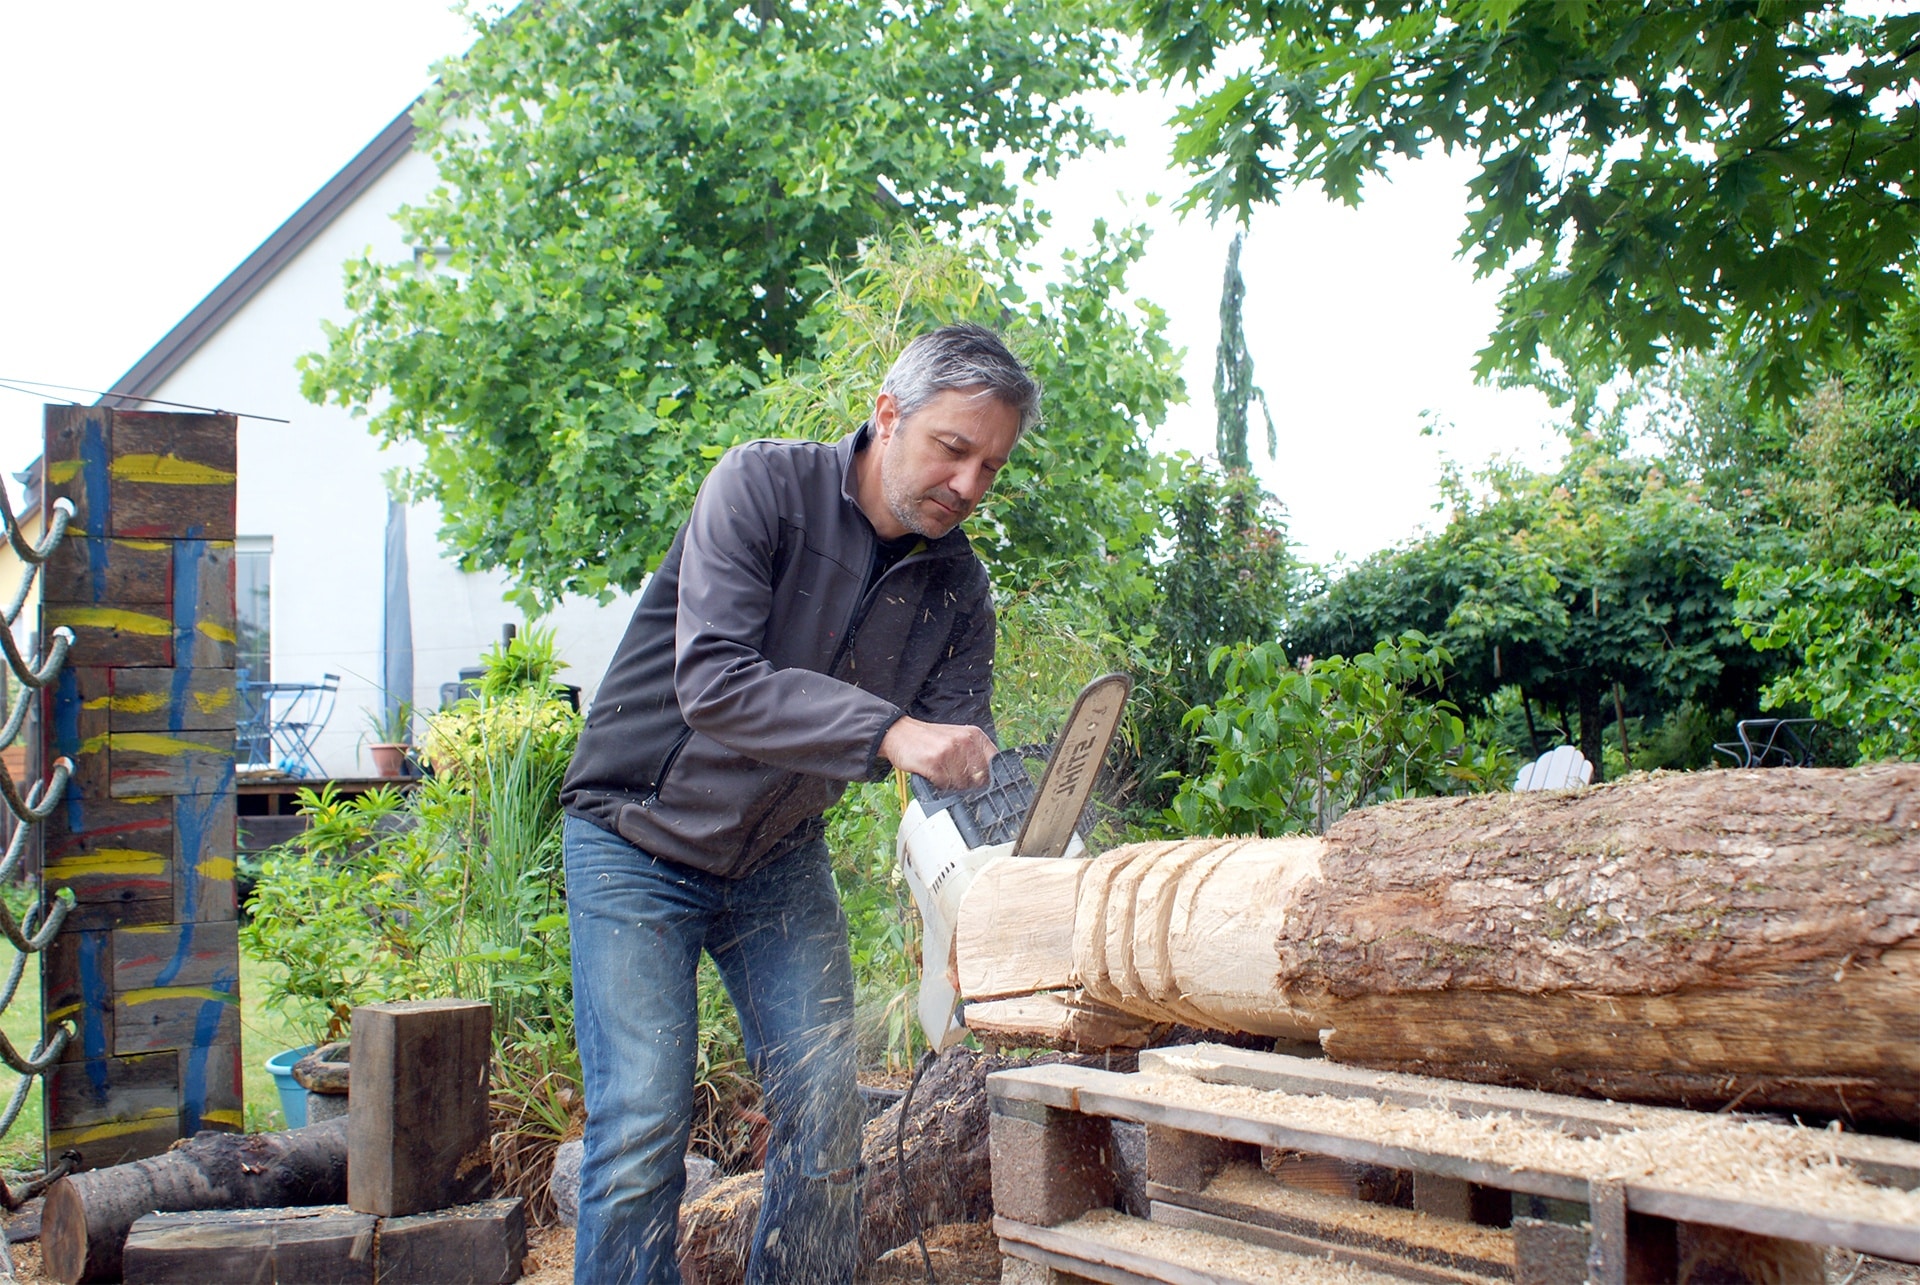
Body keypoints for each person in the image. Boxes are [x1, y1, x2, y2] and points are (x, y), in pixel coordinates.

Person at [559, 323, 1040, 1283]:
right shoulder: (762, 487)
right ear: (888, 413)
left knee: (825, 1112)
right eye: (953, 449)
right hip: (635, 834)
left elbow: (950, 773)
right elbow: (718, 683)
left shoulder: (958, 586)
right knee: (644, 1122)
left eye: (991, 465)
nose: (969, 485)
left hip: (776, 855)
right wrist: (893, 733)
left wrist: (1000, 861)